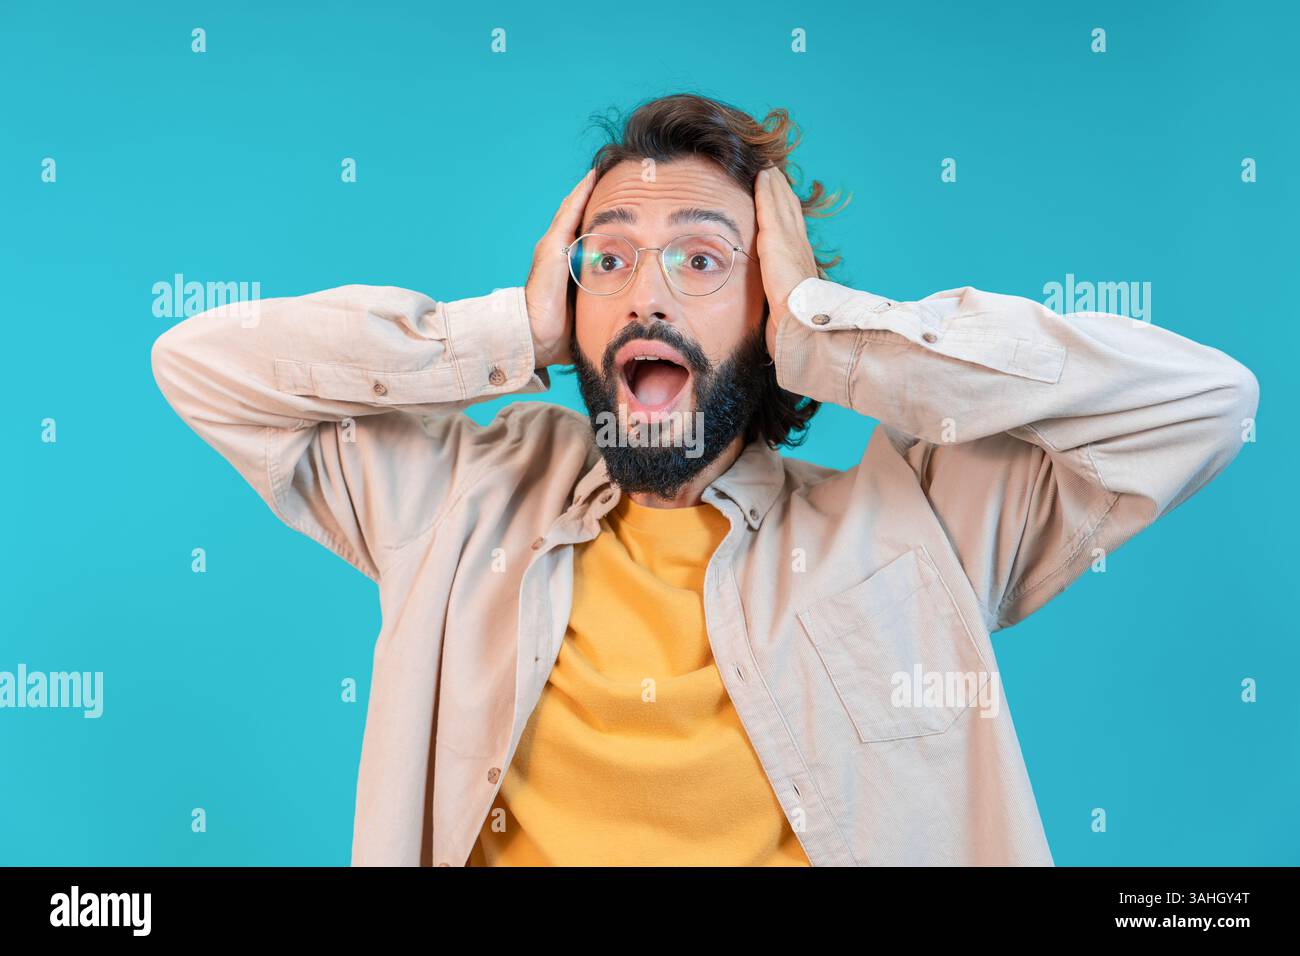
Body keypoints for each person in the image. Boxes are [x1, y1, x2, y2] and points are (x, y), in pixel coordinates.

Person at [150, 92, 1259, 866]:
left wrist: (832, 334)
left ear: (770, 303)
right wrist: (507, 328)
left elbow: (1206, 403)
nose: (646, 293)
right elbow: (200, 363)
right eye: (609, 253)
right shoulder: (454, 504)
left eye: (701, 257)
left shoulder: (916, 519)